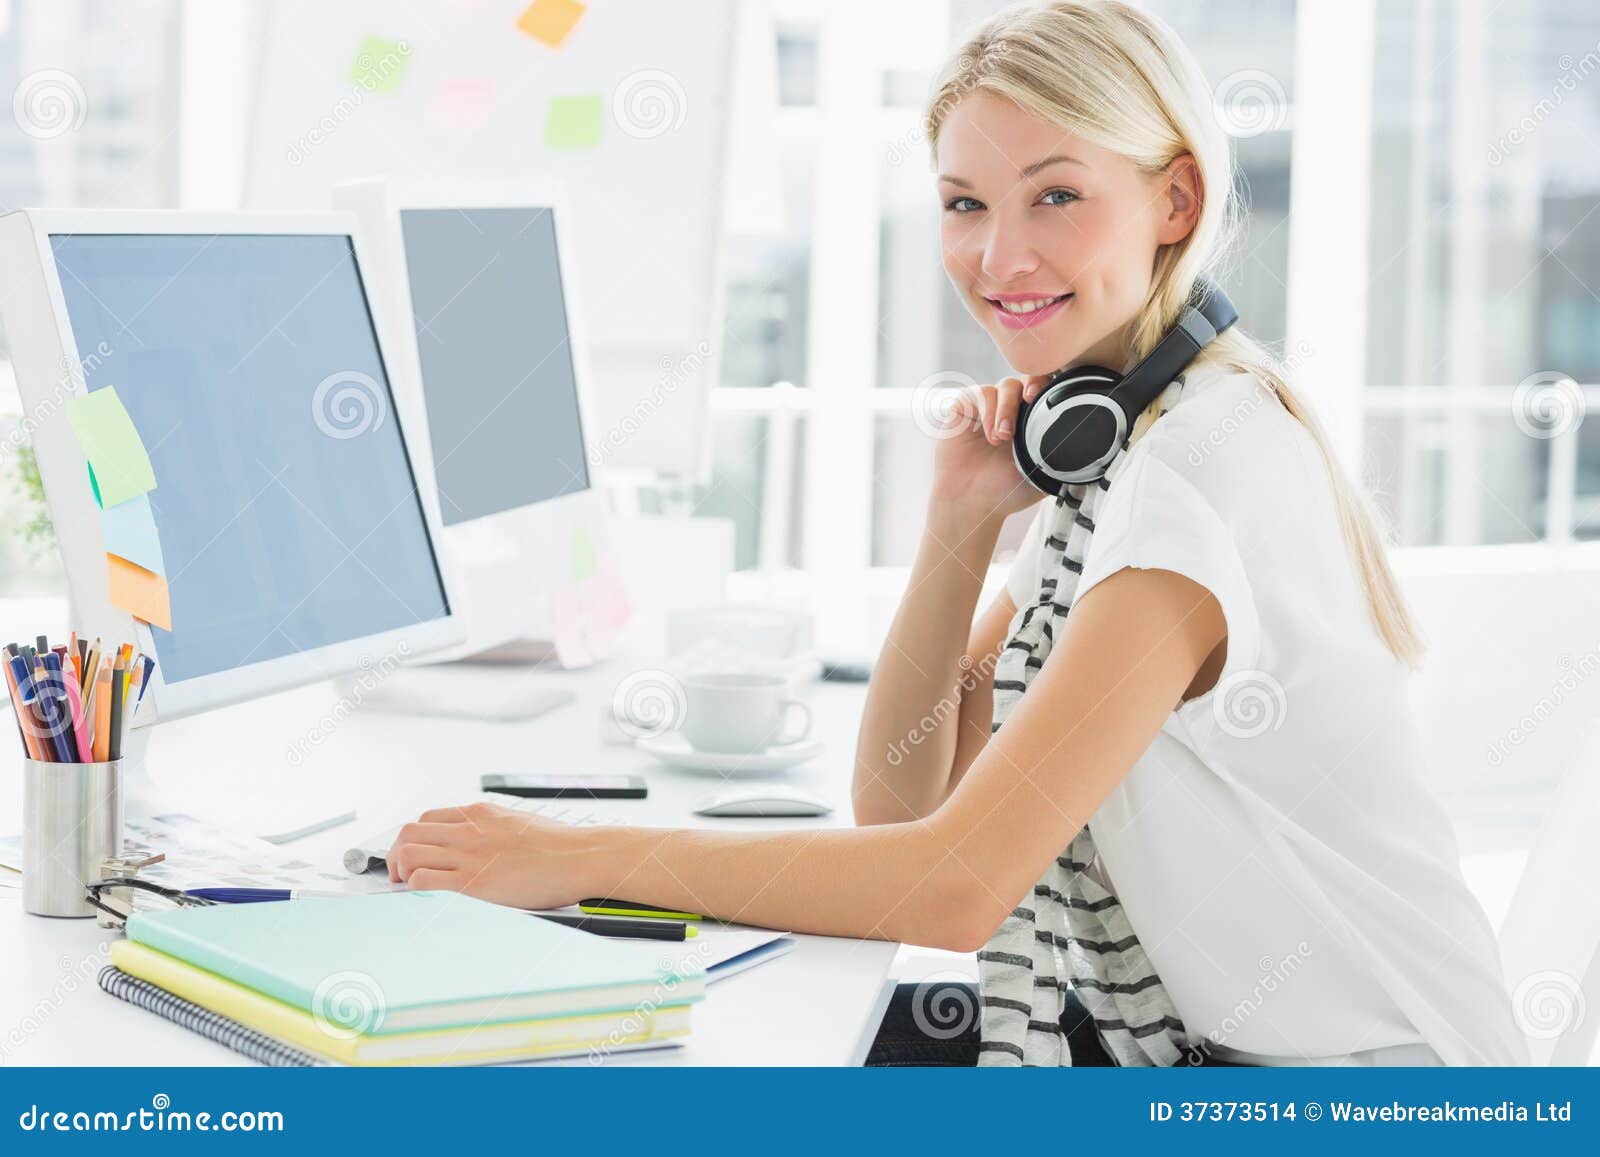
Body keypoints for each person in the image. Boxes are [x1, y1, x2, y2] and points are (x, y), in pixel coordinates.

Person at [386, 0, 1526, 1067]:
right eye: (964, 202)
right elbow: (902, 803)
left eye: (1056, 196)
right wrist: (960, 521)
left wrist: (576, 856)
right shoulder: (1119, 444)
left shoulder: (1194, 471)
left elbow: (949, 882)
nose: (998, 258)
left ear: (1175, 202)